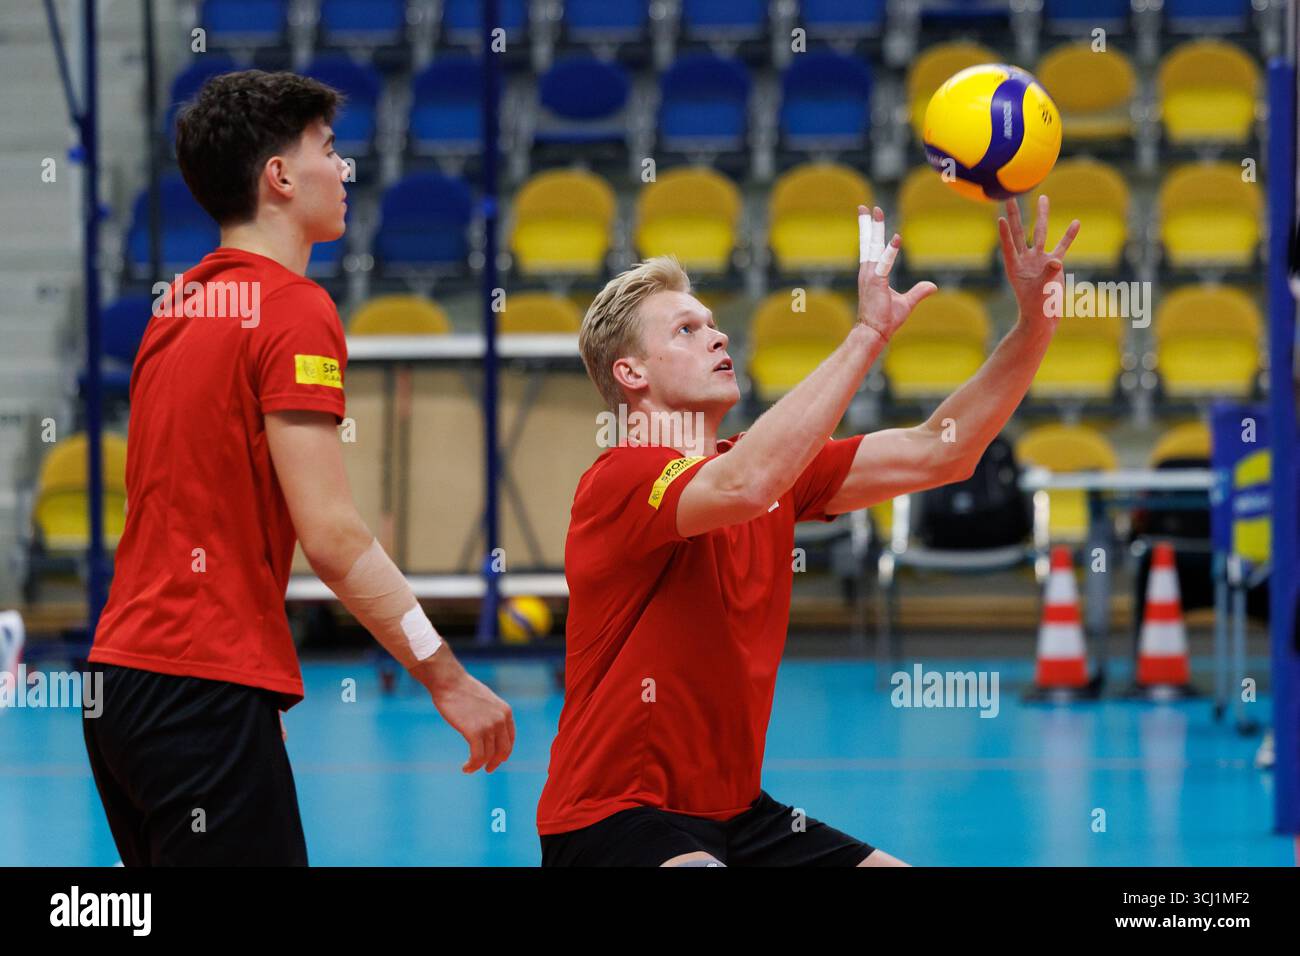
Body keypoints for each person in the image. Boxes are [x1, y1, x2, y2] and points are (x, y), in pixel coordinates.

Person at [537, 199, 1080, 866]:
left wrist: (1032, 329)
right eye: (685, 330)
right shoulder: (621, 480)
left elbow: (941, 451)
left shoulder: (769, 472)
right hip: (611, 817)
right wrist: (867, 336)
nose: (718, 337)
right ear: (632, 374)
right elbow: (744, 484)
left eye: (713, 324)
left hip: (740, 813)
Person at [84, 70, 513, 866]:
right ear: (279, 176)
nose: (344, 169)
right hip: (199, 688)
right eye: (330, 149)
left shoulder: (175, 307)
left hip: (122, 684)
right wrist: (445, 674)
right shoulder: (293, 307)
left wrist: (247, 679)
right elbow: (335, 537)